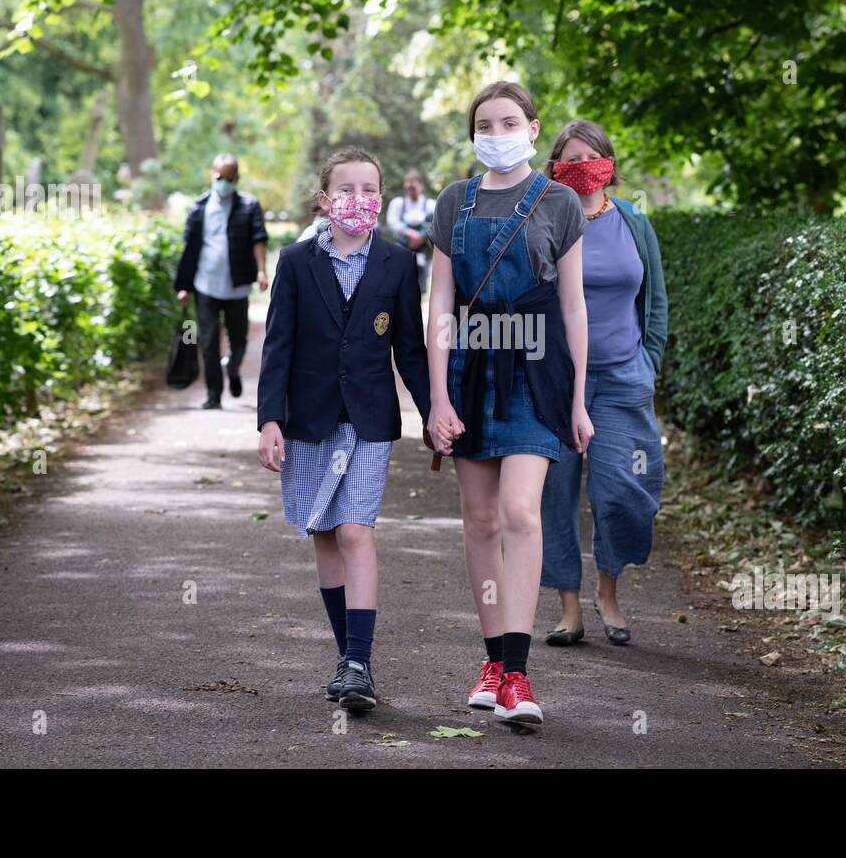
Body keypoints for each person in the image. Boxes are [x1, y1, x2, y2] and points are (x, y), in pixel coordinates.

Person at [426, 82, 593, 727]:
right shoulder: (453, 202)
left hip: (535, 374)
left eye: (508, 121)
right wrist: (437, 397)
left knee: (521, 512)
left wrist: (578, 398)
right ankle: (491, 662)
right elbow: (440, 306)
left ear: (531, 125)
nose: (496, 131)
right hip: (469, 371)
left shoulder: (559, 203)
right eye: (484, 123)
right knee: (480, 521)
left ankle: (519, 677)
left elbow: (575, 306)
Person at [256, 147, 430, 713]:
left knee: (356, 532)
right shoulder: (296, 261)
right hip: (309, 419)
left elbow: (409, 349)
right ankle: (348, 660)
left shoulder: (397, 265)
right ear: (326, 199)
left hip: (370, 421)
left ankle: (359, 662)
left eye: (368, 188)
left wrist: (434, 414)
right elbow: (277, 345)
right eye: (347, 189)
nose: (359, 198)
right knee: (325, 535)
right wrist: (269, 419)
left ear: (381, 197)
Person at [538, 120, 668, 648]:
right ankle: (569, 606)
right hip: (557, 378)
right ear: (554, 167)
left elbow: (655, 301)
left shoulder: (634, 222)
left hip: (622, 379)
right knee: (556, 494)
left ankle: (607, 589)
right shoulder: (545, 219)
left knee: (624, 494)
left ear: (609, 163)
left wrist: (648, 364)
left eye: (592, 156)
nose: (583, 165)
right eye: (571, 157)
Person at [174, 153, 268, 409]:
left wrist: (261, 271)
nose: (224, 182)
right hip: (206, 285)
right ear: (211, 175)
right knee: (208, 341)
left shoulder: (249, 206)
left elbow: (259, 239)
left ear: (236, 178)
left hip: (237, 287)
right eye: (219, 177)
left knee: (238, 341)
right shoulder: (198, 207)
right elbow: (189, 249)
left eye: (229, 178)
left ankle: (234, 368)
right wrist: (184, 286)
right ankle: (213, 395)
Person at [386, 169, 436, 291]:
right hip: (403, 245)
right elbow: (392, 222)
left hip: (423, 248)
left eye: (413, 186)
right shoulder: (398, 203)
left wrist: (422, 236)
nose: (410, 189)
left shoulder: (430, 205)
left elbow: (436, 224)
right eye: (407, 186)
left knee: (420, 284)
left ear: (421, 186)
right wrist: (409, 233)